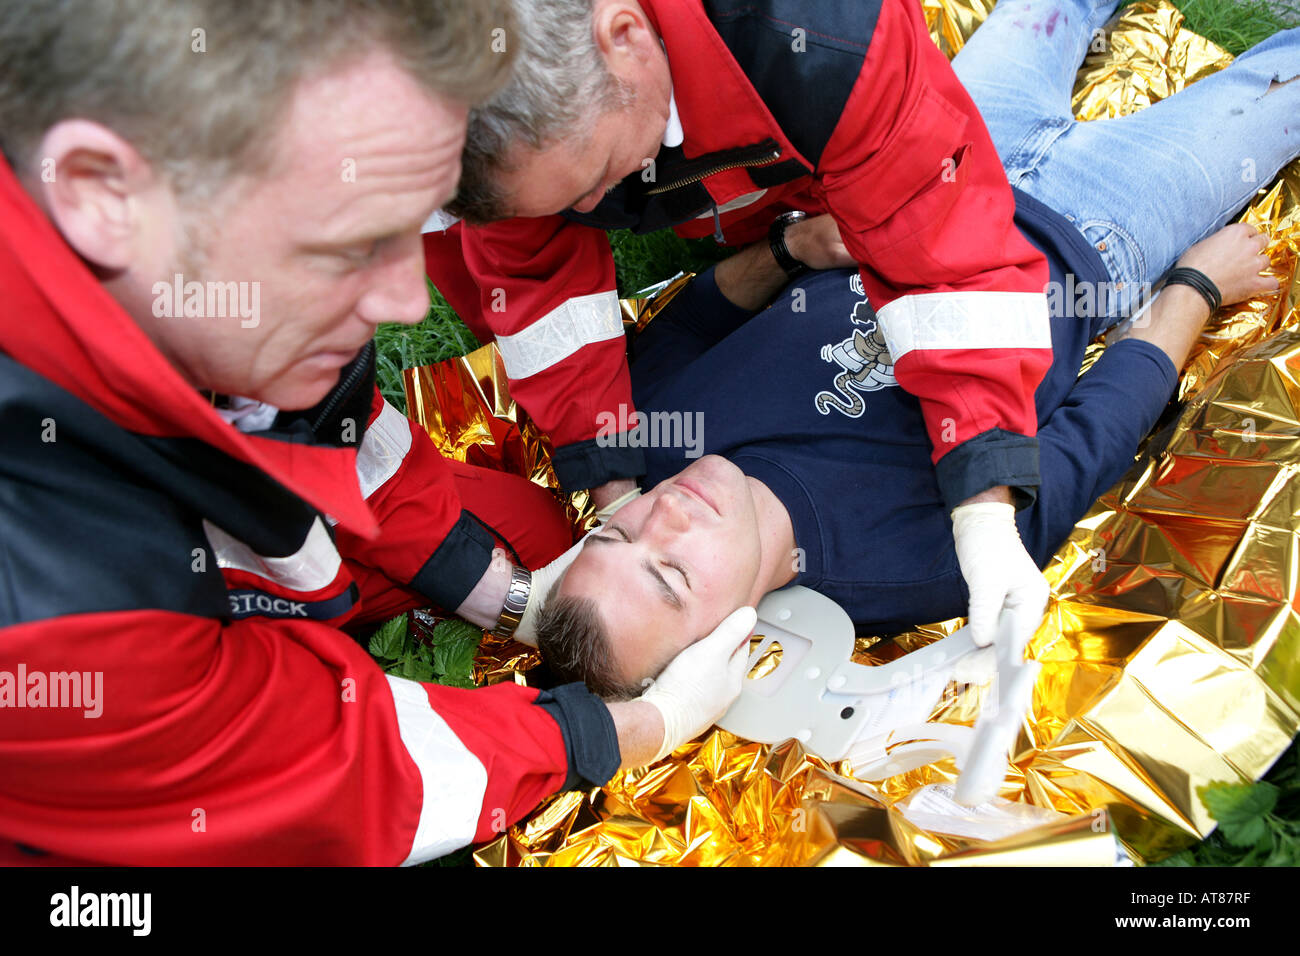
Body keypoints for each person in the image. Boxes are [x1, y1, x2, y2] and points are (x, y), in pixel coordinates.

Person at [0, 0, 754, 866]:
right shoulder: (52, 615)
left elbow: (353, 444)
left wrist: (511, 597)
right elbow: (337, 772)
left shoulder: (228, 292)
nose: (405, 302)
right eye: (354, 246)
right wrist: (620, 731)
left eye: (415, 225)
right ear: (103, 193)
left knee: (528, 529)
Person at [533, 0, 1297, 697]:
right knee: (1284, 86)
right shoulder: (911, 569)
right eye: (669, 575)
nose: (659, 518)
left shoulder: (654, 438)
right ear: (728, 642)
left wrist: (793, 248)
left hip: (928, 158)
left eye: (617, 532)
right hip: (1094, 233)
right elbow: (1090, 439)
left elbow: (694, 321)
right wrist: (1196, 285)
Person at [427, 0, 1064, 656]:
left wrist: (984, 496)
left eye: (589, 180)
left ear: (624, 37)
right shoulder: (508, 107)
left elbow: (939, 243)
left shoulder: (828, 39)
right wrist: (611, 484)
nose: (588, 210)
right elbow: (540, 283)